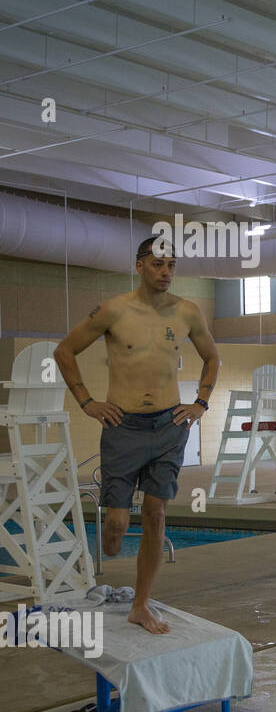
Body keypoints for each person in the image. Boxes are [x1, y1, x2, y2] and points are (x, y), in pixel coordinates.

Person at [53, 235, 221, 634]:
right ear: (139, 266)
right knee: (115, 524)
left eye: (172, 265)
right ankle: (111, 549)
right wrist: (86, 402)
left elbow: (212, 357)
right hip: (121, 426)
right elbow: (64, 351)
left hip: (169, 425)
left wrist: (200, 403)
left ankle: (141, 605)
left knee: (156, 513)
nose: (166, 272)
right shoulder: (113, 310)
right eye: (158, 264)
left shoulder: (187, 312)